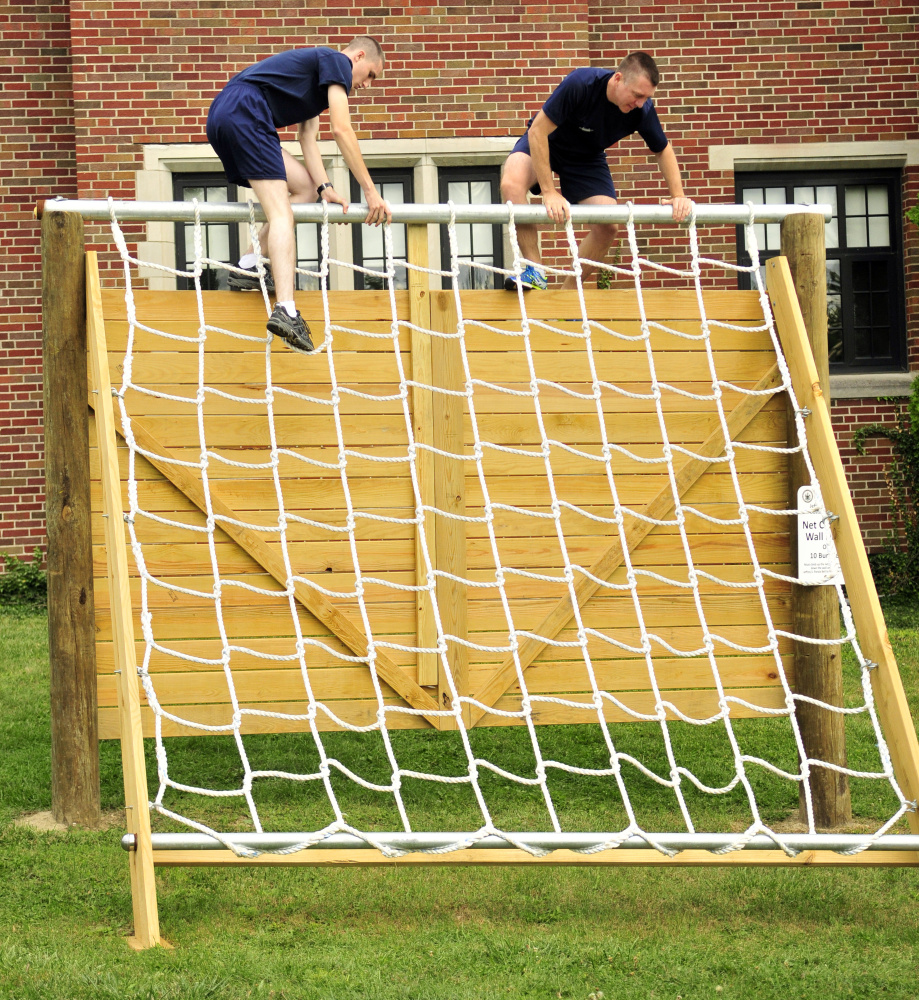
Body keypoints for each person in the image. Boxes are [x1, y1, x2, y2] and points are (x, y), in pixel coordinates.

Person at [206, 37, 392, 353]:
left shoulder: (320, 78)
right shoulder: (336, 62)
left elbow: (307, 138)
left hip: (231, 113)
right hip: (246, 111)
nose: (367, 85)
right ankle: (287, 309)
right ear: (359, 56)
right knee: (281, 213)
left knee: (303, 191)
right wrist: (372, 193)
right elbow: (342, 129)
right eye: (371, 74)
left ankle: (250, 264)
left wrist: (325, 189)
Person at [500, 51, 692, 291]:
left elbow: (662, 149)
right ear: (618, 78)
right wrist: (549, 191)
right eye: (637, 95)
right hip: (548, 141)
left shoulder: (641, 110)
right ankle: (534, 270)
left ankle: (569, 293)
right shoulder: (581, 84)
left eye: (646, 98)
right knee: (511, 184)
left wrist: (678, 195)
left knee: (608, 225)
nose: (640, 103)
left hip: (586, 158)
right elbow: (538, 131)